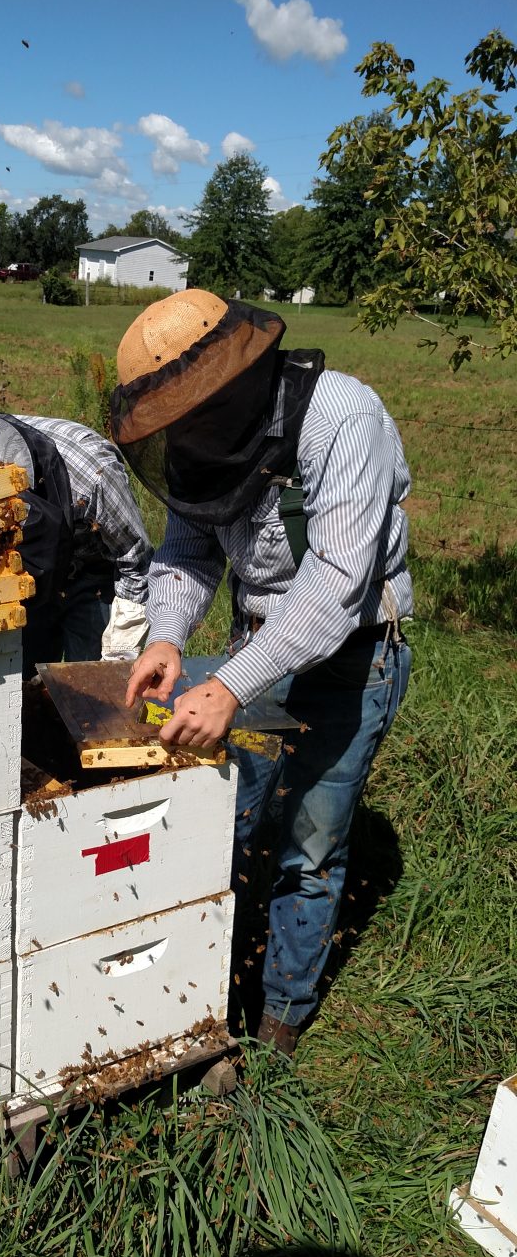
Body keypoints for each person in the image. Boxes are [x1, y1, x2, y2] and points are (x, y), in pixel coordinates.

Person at [112, 289, 412, 1055]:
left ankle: (278, 1026)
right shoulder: (199, 441)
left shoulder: (341, 418)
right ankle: (202, 979)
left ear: (234, 382)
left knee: (312, 843)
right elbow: (186, 548)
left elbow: (335, 585)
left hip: (352, 652)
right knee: (225, 807)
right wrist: (168, 637)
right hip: (255, 645)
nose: (183, 432)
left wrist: (231, 683)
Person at [0, 412, 152, 675]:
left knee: (92, 681)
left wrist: (118, 652)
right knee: (22, 681)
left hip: (92, 573)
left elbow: (136, 562)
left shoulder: (93, 478)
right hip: (26, 579)